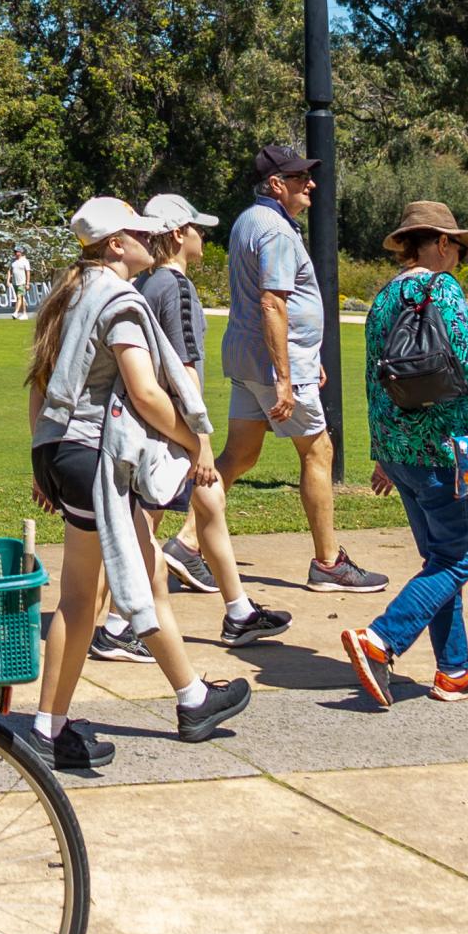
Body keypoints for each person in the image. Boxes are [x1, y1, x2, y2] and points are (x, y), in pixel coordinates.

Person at [30, 197, 256, 771]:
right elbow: (147, 392)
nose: (148, 241)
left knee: (101, 590)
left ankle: (52, 726)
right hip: (93, 458)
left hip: (64, 454)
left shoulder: (67, 295)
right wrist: (194, 440)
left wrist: (42, 458)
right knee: (126, 582)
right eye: (138, 233)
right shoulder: (118, 301)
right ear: (115, 245)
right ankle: (190, 701)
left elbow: (40, 385)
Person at [340, 203, 468, 710]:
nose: (459, 257)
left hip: (399, 453)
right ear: (439, 243)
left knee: (437, 561)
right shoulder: (440, 289)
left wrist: (381, 454)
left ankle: (455, 672)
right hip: (446, 450)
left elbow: (377, 380)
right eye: (457, 247)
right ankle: (381, 640)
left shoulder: (382, 298)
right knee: (457, 559)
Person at [216, 144, 388, 593]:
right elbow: (273, 302)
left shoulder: (249, 220)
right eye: (299, 178)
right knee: (318, 452)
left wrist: (304, 360)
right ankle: (328, 564)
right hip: (274, 366)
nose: (309, 184)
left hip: (248, 359)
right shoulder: (274, 230)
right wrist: (288, 376)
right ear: (276, 184)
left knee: (239, 456)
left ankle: (188, 545)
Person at [129, 191, 295, 651]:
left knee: (209, 506)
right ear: (179, 235)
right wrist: (200, 441)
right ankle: (120, 625)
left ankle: (238, 611)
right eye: (197, 229)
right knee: (143, 524)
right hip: (173, 429)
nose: (203, 237)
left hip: (159, 425)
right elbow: (184, 371)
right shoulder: (175, 287)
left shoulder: (146, 284)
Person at [9, 244, 33, 321]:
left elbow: (28, 272)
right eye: (15, 251)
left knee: (19, 297)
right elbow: (10, 270)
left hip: (22, 282)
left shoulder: (25, 261)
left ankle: (15, 312)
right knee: (21, 298)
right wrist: (8, 280)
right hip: (15, 282)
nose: (16, 253)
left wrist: (27, 283)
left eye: (17, 251)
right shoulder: (13, 261)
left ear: (21, 252)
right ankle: (24, 314)